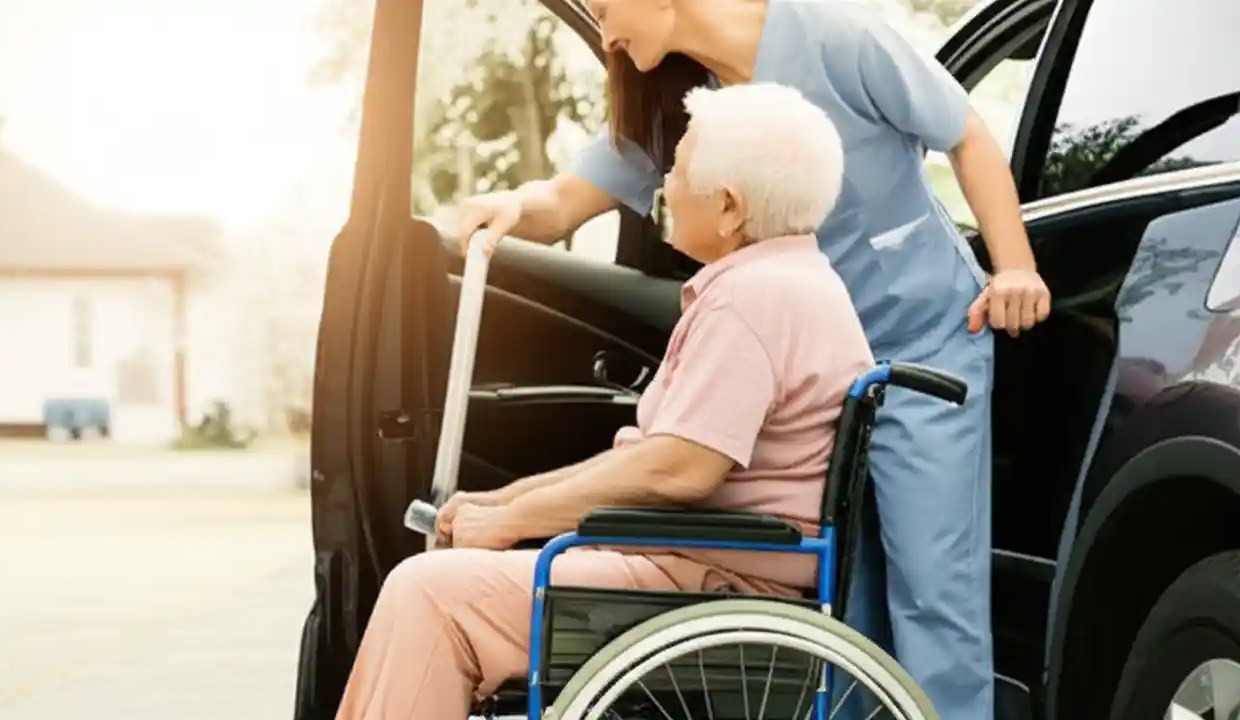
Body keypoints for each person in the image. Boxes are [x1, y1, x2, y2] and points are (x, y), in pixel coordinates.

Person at [451, 2, 1054, 717]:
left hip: (923, 346)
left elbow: (966, 133)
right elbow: (561, 202)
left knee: (932, 594)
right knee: (845, 609)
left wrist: (1015, 267)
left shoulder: (834, 35)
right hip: (814, 378)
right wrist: (509, 208)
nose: (605, 34)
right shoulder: (680, 100)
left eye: (605, 8)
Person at [335, 83, 872, 719]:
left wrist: (515, 521)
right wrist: (504, 502)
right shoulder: (794, 281)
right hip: (702, 573)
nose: (665, 185)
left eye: (679, 169)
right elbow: (651, 459)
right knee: (439, 585)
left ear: (729, 207)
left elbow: (679, 471)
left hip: (707, 589)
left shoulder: (750, 300)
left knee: (427, 592)